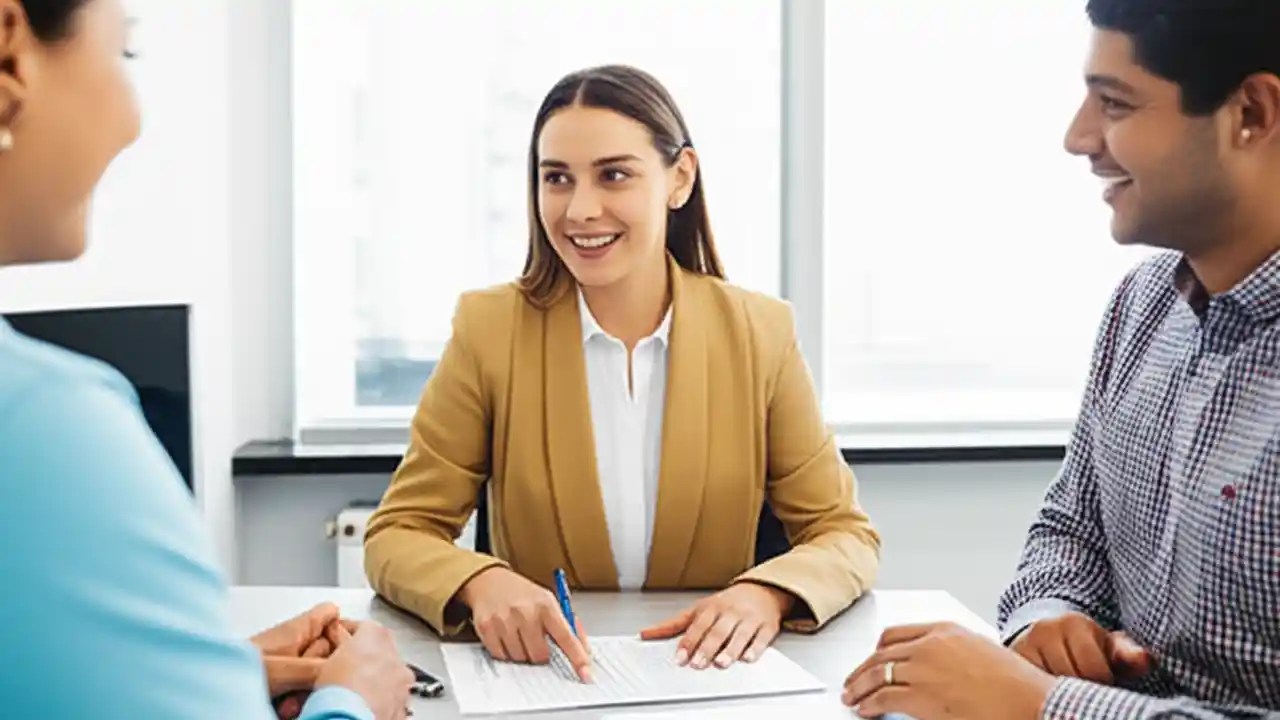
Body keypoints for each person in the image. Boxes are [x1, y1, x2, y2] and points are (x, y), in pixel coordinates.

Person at [364, 64, 881, 682]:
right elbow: (399, 532)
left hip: (711, 681)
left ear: (679, 178)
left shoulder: (759, 332)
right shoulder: (490, 330)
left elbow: (845, 535)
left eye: (614, 175)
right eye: (557, 178)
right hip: (547, 680)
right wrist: (481, 581)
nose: (581, 209)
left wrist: (768, 593)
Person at [841, 1, 1280, 718]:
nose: (1079, 138)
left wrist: (1044, 704)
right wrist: (1050, 617)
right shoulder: (1141, 308)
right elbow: (1069, 531)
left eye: (1115, 103)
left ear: (1252, 113)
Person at [0, 1, 414, 717]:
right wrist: (352, 701)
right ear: (10, 55)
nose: (133, 121)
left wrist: (216, 672)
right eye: (123, 53)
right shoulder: (42, 426)